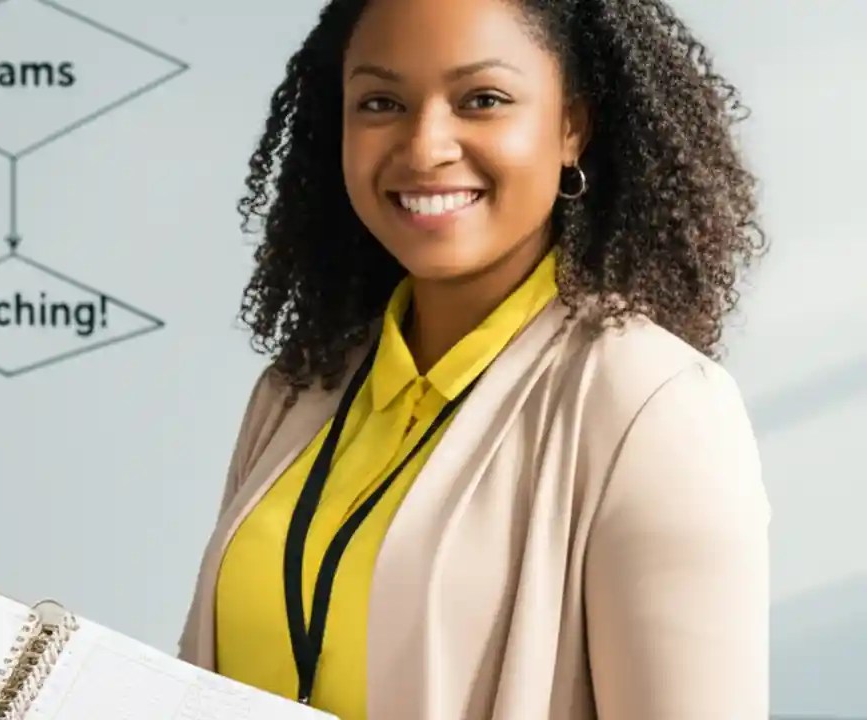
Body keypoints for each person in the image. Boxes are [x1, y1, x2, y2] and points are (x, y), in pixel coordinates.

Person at [178, 0, 770, 718]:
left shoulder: (652, 404)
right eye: (380, 102)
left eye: (482, 100)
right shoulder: (298, 392)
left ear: (571, 128)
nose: (425, 146)